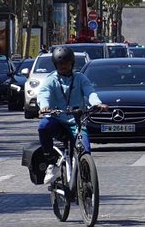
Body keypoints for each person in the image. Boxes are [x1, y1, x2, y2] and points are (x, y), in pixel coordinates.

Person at [31, 45, 102, 185]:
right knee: (44, 126)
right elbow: (44, 93)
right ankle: (51, 163)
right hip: (58, 121)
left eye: (66, 63)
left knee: (85, 150)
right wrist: (44, 106)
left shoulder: (80, 78)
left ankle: (85, 181)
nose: (63, 66)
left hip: (77, 123)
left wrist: (97, 103)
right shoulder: (51, 80)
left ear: (72, 63)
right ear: (55, 65)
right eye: (60, 64)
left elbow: (90, 92)